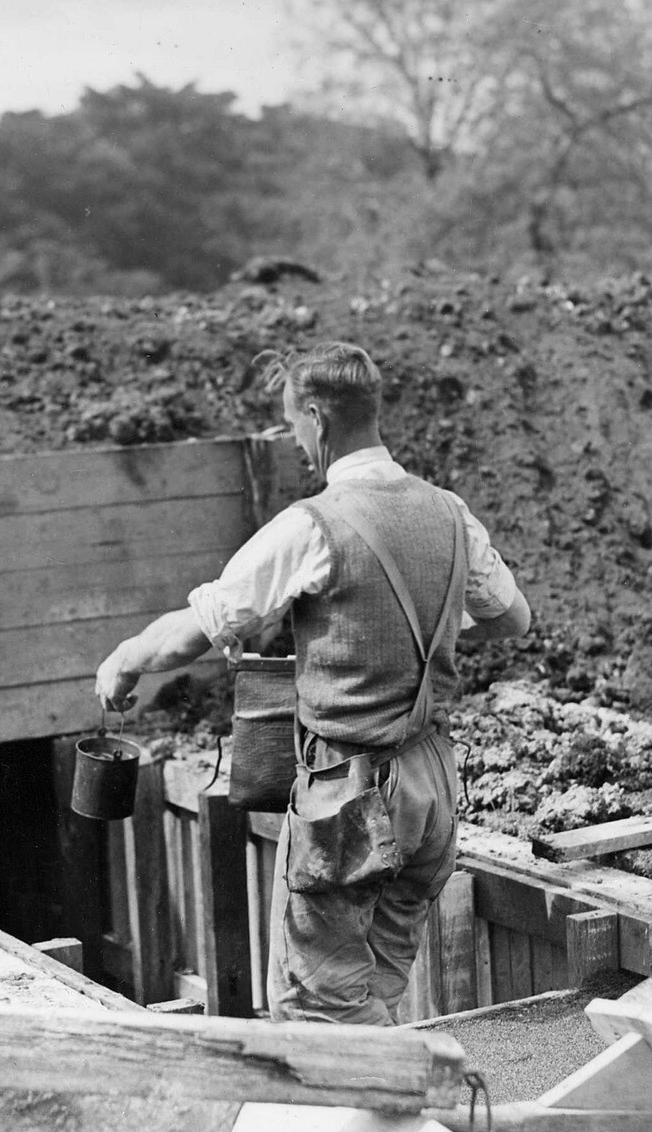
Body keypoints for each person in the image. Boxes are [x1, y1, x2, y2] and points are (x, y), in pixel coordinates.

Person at [94, 341, 532, 1025]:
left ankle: (415, 1091)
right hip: (431, 789)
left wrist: (125, 659)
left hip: (350, 799)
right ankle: (401, 1086)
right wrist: (422, 630)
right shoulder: (449, 511)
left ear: (319, 418)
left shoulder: (313, 526)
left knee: (314, 1012)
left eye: (293, 422)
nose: (295, 439)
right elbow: (512, 617)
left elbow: (198, 627)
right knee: (376, 991)